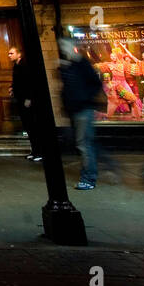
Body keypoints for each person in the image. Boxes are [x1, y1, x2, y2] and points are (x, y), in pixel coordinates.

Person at [58, 37, 106, 189]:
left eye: (64, 45)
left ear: (72, 46)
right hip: (75, 110)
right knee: (84, 143)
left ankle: (89, 179)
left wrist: (85, 99)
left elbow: (96, 84)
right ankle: (94, 170)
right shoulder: (70, 66)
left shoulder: (81, 64)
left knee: (84, 144)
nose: (62, 48)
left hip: (83, 110)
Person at [8, 45, 50, 161]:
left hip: (28, 101)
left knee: (34, 126)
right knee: (28, 127)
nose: (9, 55)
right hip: (20, 100)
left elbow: (30, 82)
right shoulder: (16, 66)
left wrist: (29, 98)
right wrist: (12, 88)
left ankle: (40, 152)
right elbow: (17, 82)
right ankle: (35, 150)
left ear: (18, 54)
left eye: (11, 53)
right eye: (9, 54)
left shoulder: (25, 65)